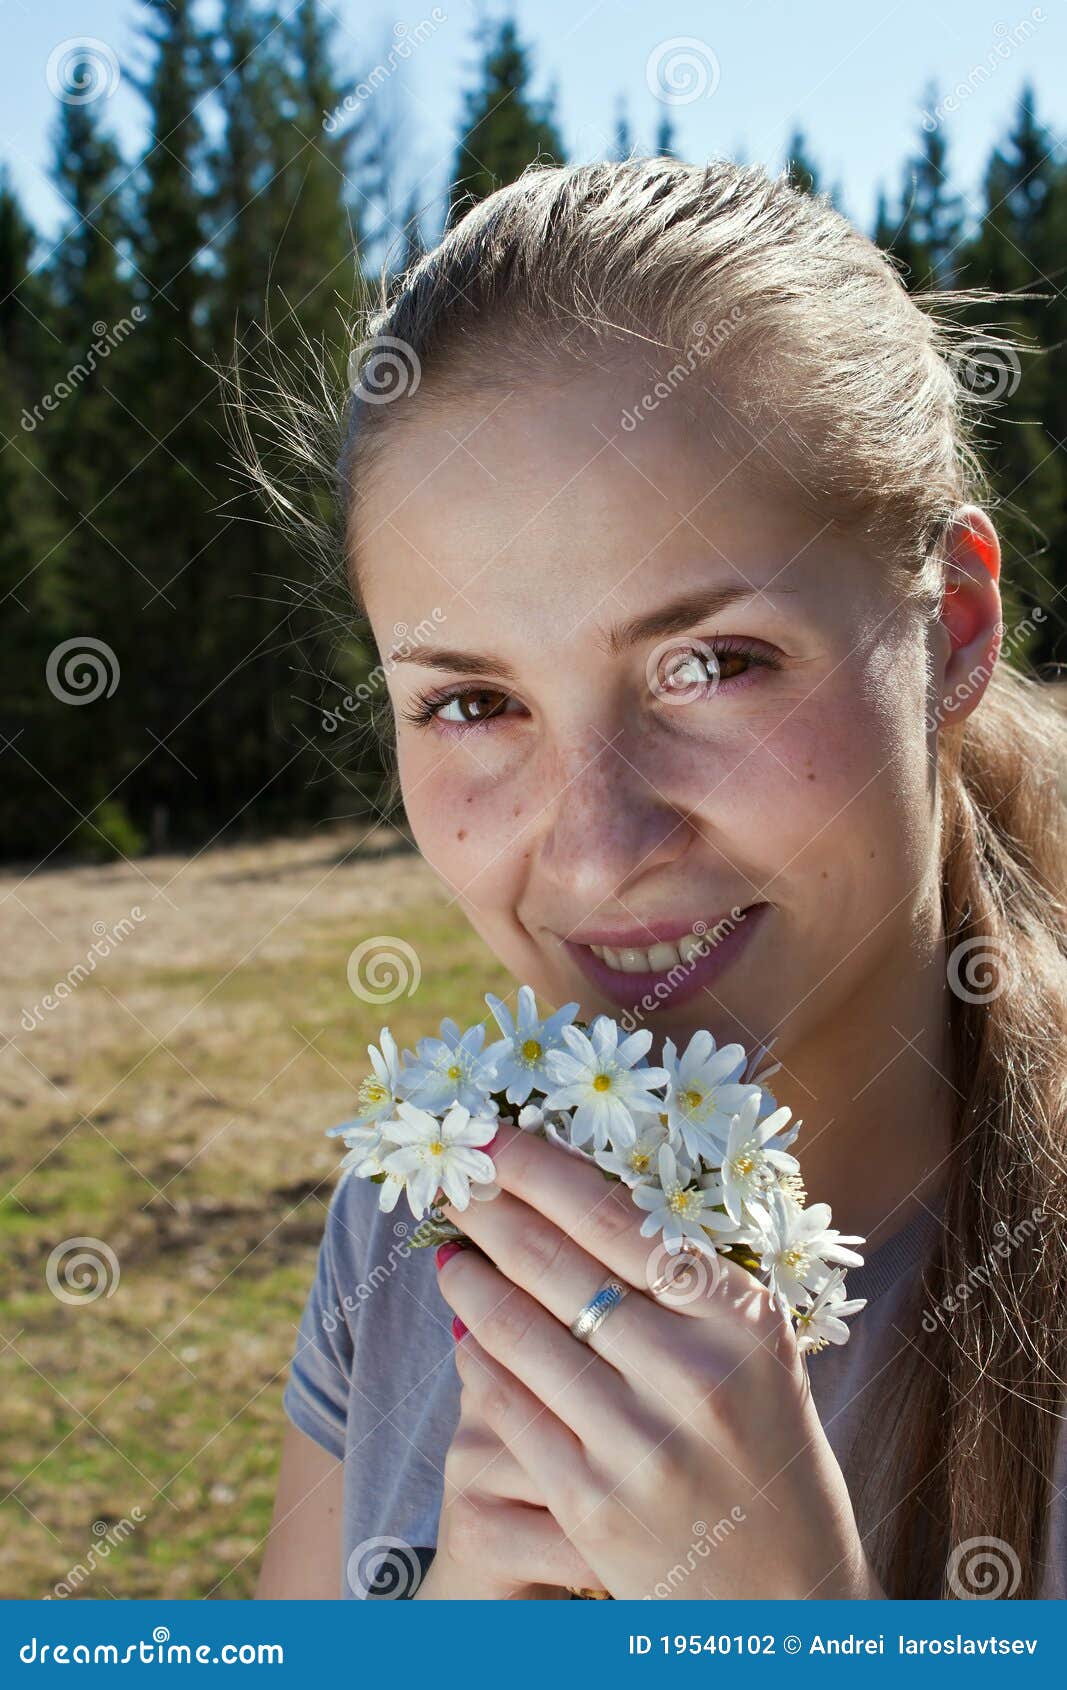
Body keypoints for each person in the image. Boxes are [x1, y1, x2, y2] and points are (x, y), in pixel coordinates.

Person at [252, 158, 1067, 1600]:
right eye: (470, 702)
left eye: (711, 664)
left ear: (948, 628)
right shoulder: (415, 1227)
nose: (594, 844)